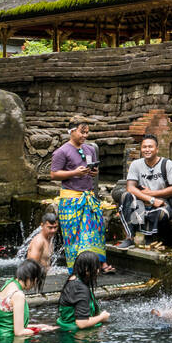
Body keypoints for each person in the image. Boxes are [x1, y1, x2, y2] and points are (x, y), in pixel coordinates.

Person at [51, 117, 112, 275]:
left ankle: (99, 264)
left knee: (95, 232)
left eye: (87, 132)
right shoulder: (61, 152)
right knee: (76, 236)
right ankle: (80, 268)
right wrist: (74, 173)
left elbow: (93, 169)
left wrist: (94, 172)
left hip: (89, 198)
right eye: (81, 132)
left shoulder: (90, 149)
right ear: (71, 131)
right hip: (72, 200)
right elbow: (54, 174)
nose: (84, 135)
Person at [118, 134, 172, 247]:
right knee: (126, 196)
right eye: (144, 147)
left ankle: (152, 237)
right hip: (142, 203)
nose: (147, 150)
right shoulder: (136, 164)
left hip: (162, 204)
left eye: (150, 147)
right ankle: (129, 237)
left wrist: (153, 194)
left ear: (157, 149)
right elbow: (130, 187)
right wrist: (151, 199)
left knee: (162, 214)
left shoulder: (167, 164)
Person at [0, 259, 55, 343]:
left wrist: (36, 326)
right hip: (9, 341)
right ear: (32, 278)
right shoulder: (18, 295)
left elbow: (9, 322)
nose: (34, 286)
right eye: (36, 281)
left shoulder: (9, 284)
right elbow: (19, 332)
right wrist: (40, 330)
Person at [57, 251, 110, 332]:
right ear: (86, 270)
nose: (98, 271)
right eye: (96, 268)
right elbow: (82, 323)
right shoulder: (80, 289)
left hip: (67, 329)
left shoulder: (73, 279)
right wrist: (102, 317)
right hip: (76, 336)